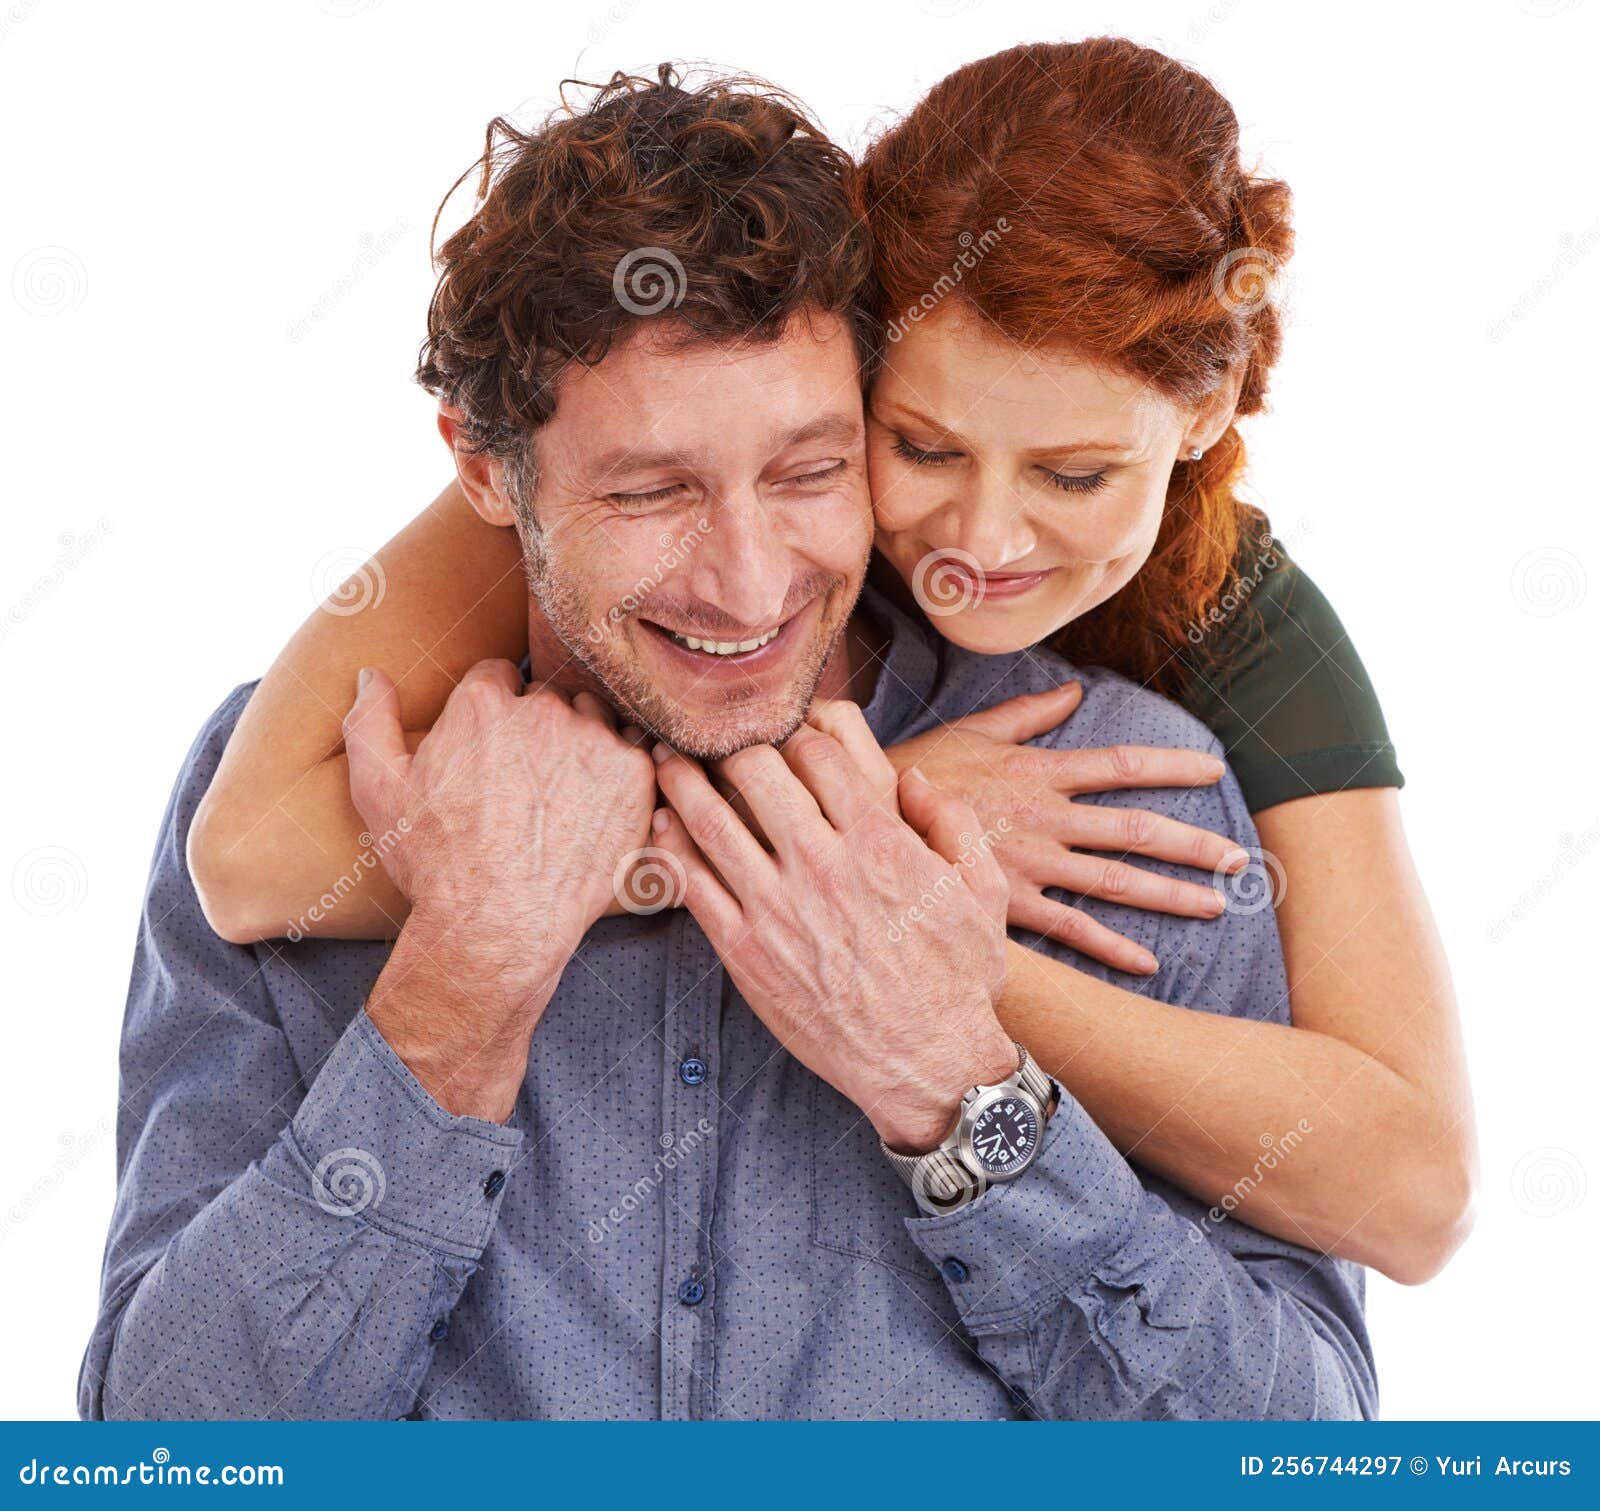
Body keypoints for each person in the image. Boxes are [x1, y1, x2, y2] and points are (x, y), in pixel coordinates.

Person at [83, 62, 1373, 1421]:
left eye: (814, 472)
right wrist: (453, 1003)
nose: (750, 585)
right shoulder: (302, 801)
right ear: (480, 465)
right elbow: (165, 1456)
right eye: (652, 490)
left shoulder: (1123, 790)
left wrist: (962, 1091)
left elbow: (1298, 1455)